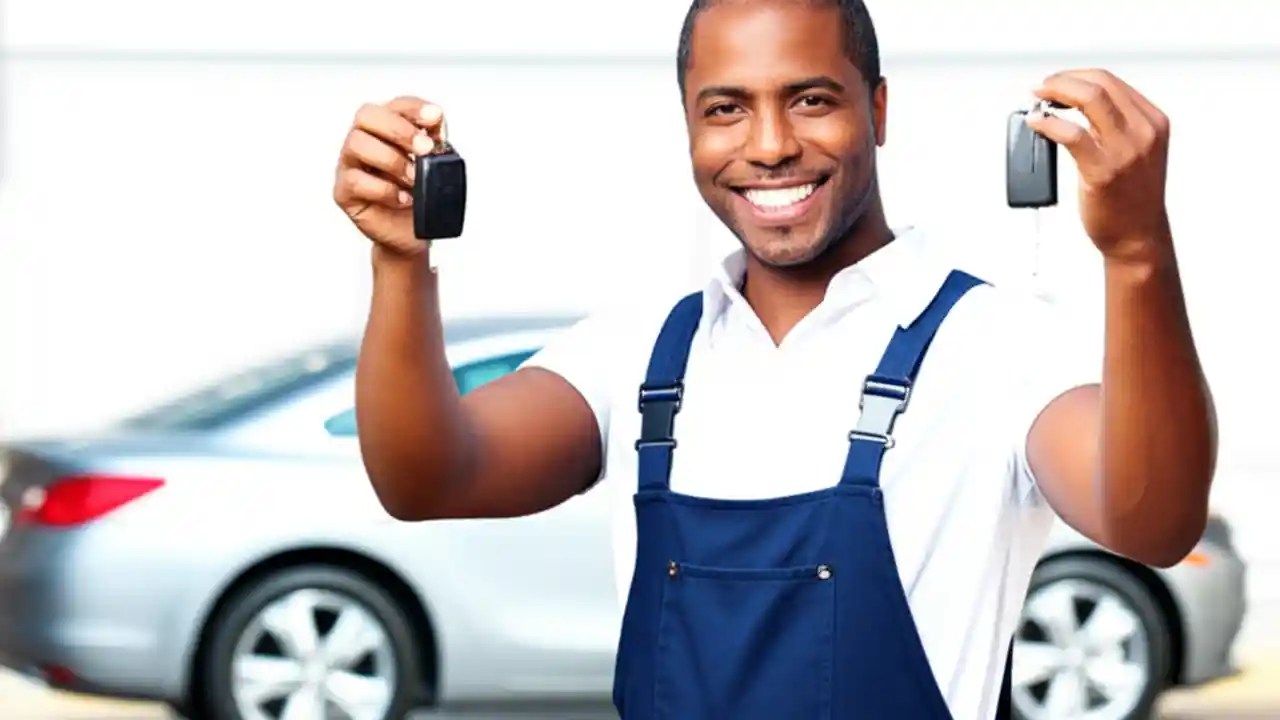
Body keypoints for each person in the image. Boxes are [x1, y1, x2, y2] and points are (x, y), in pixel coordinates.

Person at [330, 0, 1217, 717]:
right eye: (726, 108)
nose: (767, 145)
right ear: (687, 124)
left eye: (810, 99)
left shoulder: (996, 345)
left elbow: (1153, 522)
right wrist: (399, 264)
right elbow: (430, 481)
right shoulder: (642, 348)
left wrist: (1139, 255)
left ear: (877, 107)